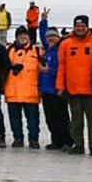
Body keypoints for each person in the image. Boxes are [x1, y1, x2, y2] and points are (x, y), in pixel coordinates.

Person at [56, 14, 92, 156]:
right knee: (76, 121)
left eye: (82, 26)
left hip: (91, 90)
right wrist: (60, 86)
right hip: (73, 89)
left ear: (87, 27)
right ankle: (78, 145)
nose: (80, 29)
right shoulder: (66, 44)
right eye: (77, 26)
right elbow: (61, 66)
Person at [5, 26, 44, 148]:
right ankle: (18, 138)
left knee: (33, 120)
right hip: (13, 90)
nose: (22, 37)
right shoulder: (9, 50)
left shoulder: (38, 51)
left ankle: (33, 140)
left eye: (25, 35)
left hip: (31, 91)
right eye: (20, 35)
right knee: (14, 119)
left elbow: (44, 68)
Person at [38, 16, 72, 151]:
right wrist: (43, 21)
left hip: (58, 89)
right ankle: (56, 141)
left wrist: (48, 70)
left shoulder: (61, 50)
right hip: (46, 90)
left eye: (53, 36)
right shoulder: (48, 50)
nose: (51, 39)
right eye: (49, 37)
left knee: (62, 118)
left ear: (58, 37)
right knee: (50, 118)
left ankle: (67, 141)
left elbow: (62, 69)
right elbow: (42, 34)